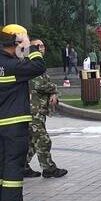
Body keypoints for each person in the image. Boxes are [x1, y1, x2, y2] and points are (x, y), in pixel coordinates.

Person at [0, 24, 46, 201]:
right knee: (14, 161)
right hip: (14, 121)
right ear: (16, 42)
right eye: (22, 41)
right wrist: (31, 48)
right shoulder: (13, 66)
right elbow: (38, 66)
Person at [25, 40, 68, 179]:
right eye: (37, 46)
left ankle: (21, 166)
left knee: (31, 141)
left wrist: (53, 92)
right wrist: (54, 89)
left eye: (42, 45)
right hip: (33, 110)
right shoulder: (32, 65)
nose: (40, 48)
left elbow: (45, 84)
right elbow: (41, 84)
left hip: (37, 109)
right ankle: (49, 168)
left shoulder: (38, 64)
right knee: (43, 140)